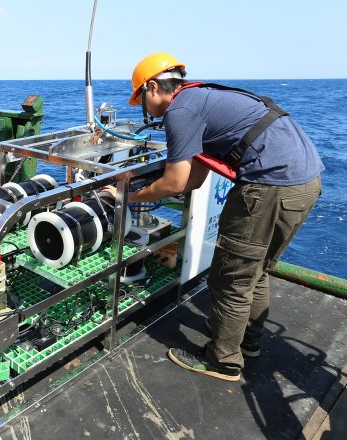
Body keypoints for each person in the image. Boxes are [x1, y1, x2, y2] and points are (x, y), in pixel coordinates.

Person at [120, 52, 323, 381]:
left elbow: (174, 183)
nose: (145, 107)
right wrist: (151, 187)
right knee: (253, 272)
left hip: (269, 188)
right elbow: (194, 178)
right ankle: (248, 343)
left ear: (153, 87)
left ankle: (222, 360)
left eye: (141, 98)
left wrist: (127, 196)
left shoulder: (181, 111)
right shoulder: (202, 98)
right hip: (305, 182)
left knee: (230, 277)